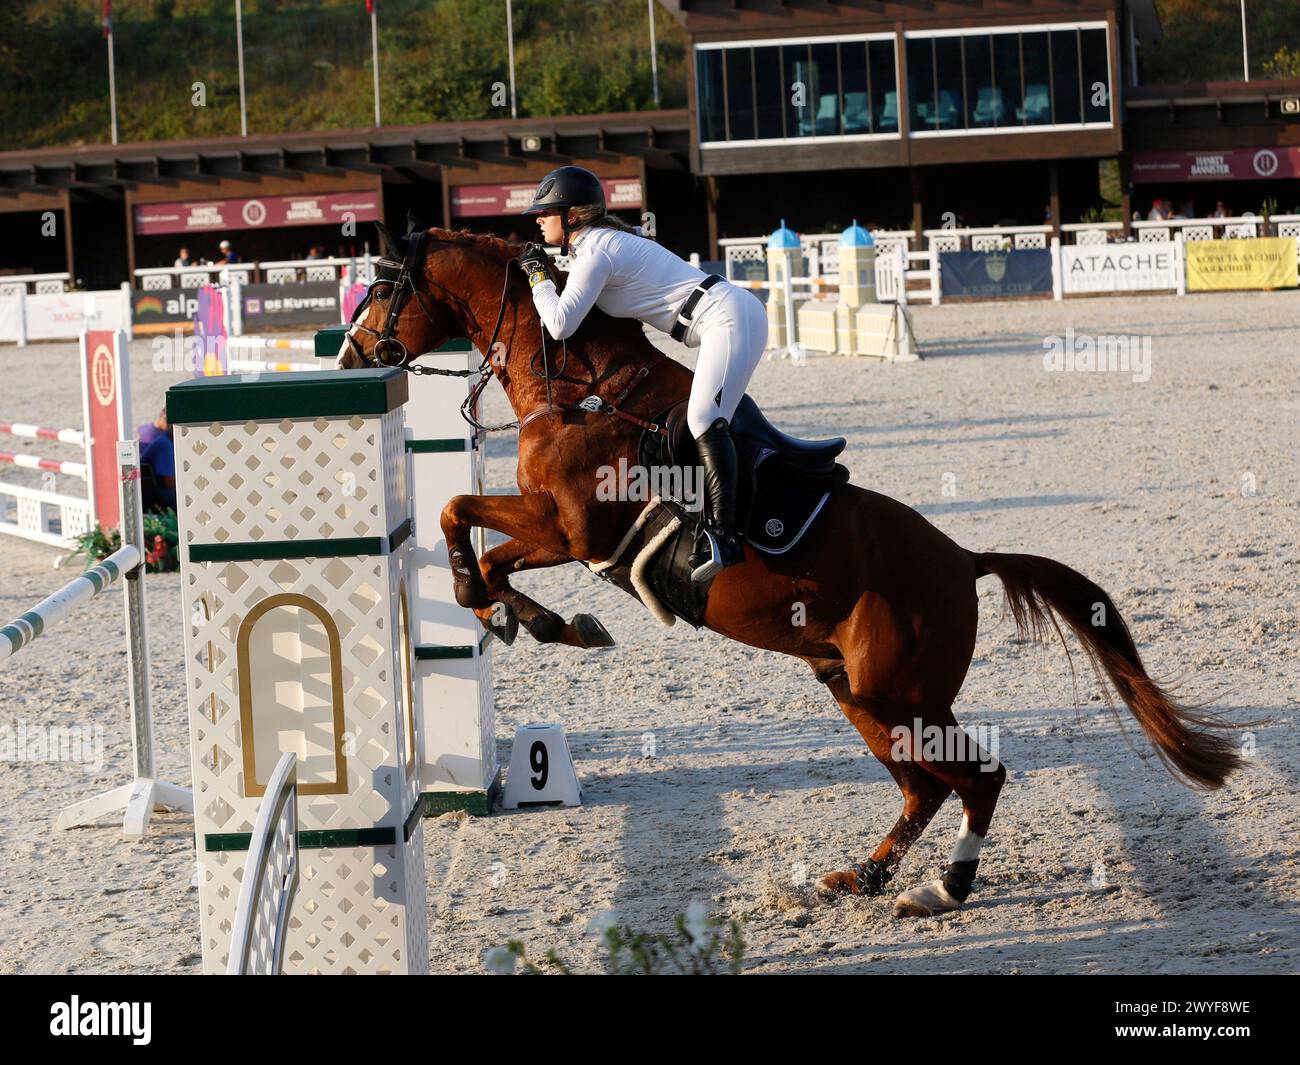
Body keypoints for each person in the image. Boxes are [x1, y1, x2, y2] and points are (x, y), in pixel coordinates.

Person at [518, 165, 767, 581]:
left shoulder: (596, 249)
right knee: (707, 414)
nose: (538, 219)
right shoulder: (593, 247)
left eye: (547, 212)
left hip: (726, 317)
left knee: (704, 418)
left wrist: (538, 277)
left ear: (573, 217)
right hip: (721, 316)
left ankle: (724, 537)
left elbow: (560, 324)